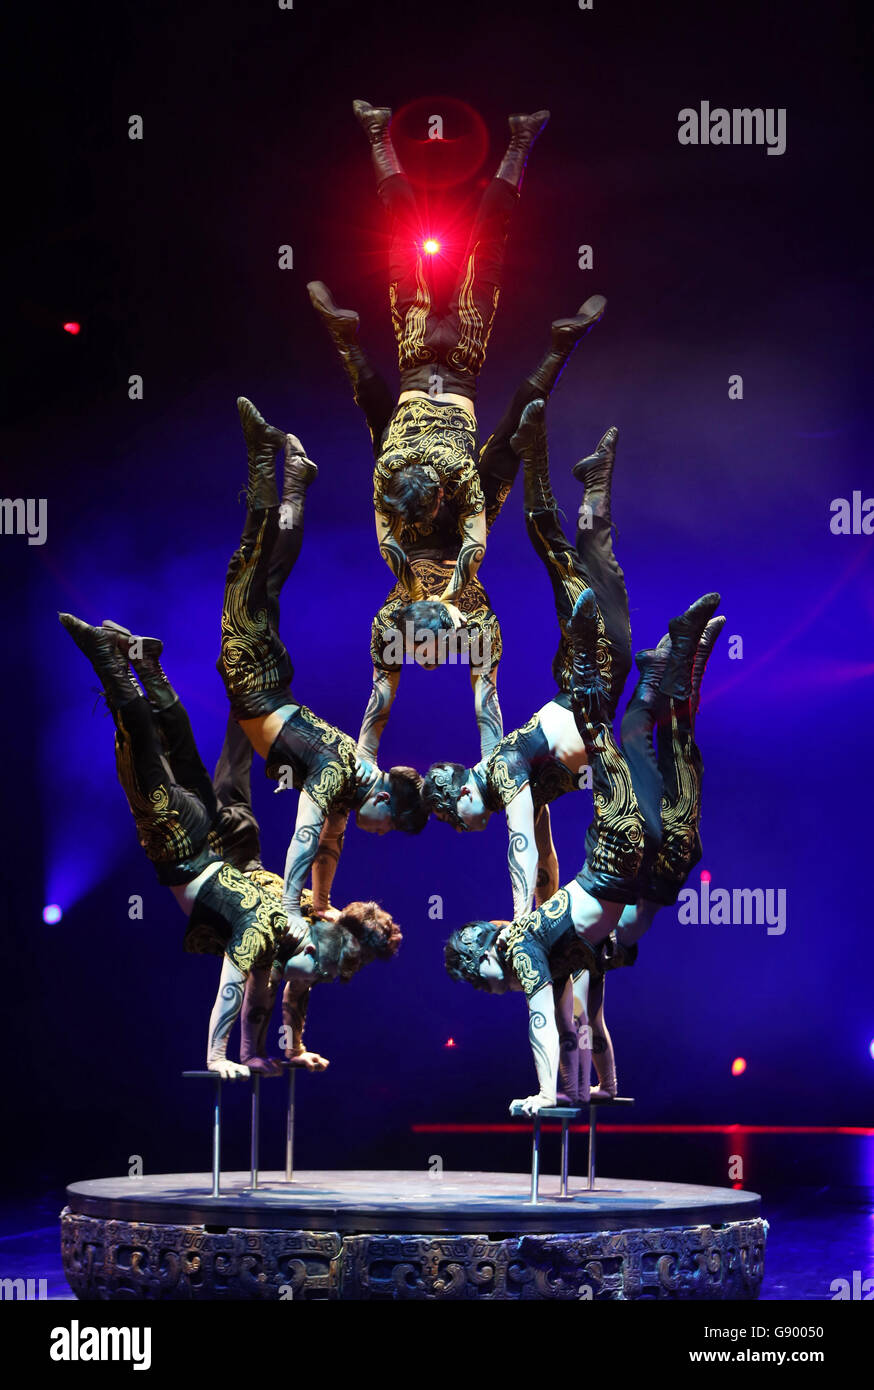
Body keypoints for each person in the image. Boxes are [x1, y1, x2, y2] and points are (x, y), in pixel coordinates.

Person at [58, 613, 402, 1079]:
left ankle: (150, 665)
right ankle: (114, 658)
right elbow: (236, 986)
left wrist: (282, 1048)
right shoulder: (283, 930)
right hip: (200, 848)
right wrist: (222, 1056)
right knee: (157, 751)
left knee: (181, 752)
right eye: (317, 974)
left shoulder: (321, 932)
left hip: (218, 848)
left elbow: (281, 987)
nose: (305, 983)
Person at [443, 581, 723, 1115]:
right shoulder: (566, 956)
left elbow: (544, 1021)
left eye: (481, 983)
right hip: (645, 863)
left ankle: (592, 649)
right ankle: (682, 659)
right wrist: (587, 1088)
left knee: (609, 737)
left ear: (487, 951)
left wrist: (549, 1093)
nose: (490, 991)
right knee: (661, 751)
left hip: (616, 858)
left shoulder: (525, 950)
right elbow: (581, 1024)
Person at [309, 292, 606, 760]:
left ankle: (557, 352)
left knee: (505, 441)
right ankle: (346, 341)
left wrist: (490, 758)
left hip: (449, 518)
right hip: (438, 521)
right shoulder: (405, 622)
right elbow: (400, 709)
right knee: (386, 425)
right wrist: (488, 758)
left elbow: (475, 703)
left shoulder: (453, 623)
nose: (428, 665)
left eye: (422, 655)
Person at [309, 100, 553, 624]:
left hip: (462, 355)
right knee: (402, 230)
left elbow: (473, 552)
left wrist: (445, 604)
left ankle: (519, 139)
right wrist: (420, 597)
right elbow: (392, 549)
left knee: (490, 239)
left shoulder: (461, 478)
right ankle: (377, 132)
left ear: (439, 494)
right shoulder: (387, 479)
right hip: (416, 353)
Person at [216, 397, 428, 956]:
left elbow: (329, 846)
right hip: (254, 678)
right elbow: (306, 836)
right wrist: (289, 909)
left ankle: (294, 480)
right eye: (386, 826)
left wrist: (321, 900)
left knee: (267, 574)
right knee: (253, 562)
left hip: (267, 684)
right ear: (386, 802)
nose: (376, 833)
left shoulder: (359, 775)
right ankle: (266, 458)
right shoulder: (341, 779)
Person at [422, 397, 639, 921]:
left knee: (550, 541)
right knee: (596, 554)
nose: (466, 828)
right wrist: (547, 912)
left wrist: (523, 921)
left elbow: (520, 843)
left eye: (457, 819)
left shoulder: (504, 773)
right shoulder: (516, 781)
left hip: (588, 662)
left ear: (462, 793)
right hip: (607, 668)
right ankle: (595, 477)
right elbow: (544, 854)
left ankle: (533, 442)